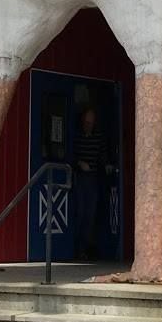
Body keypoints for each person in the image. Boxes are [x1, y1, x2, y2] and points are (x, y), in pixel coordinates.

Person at [73, 106, 110, 260]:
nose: (89, 124)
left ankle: (84, 249)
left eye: (92, 122)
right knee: (79, 212)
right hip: (79, 177)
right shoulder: (76, 135)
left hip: (93, 178)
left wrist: (107, 164)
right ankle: (73, 249)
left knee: (90, 214)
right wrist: (79, 163)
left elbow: (102, 155)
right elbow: (70, 154)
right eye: (87, 121)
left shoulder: (98, 137)